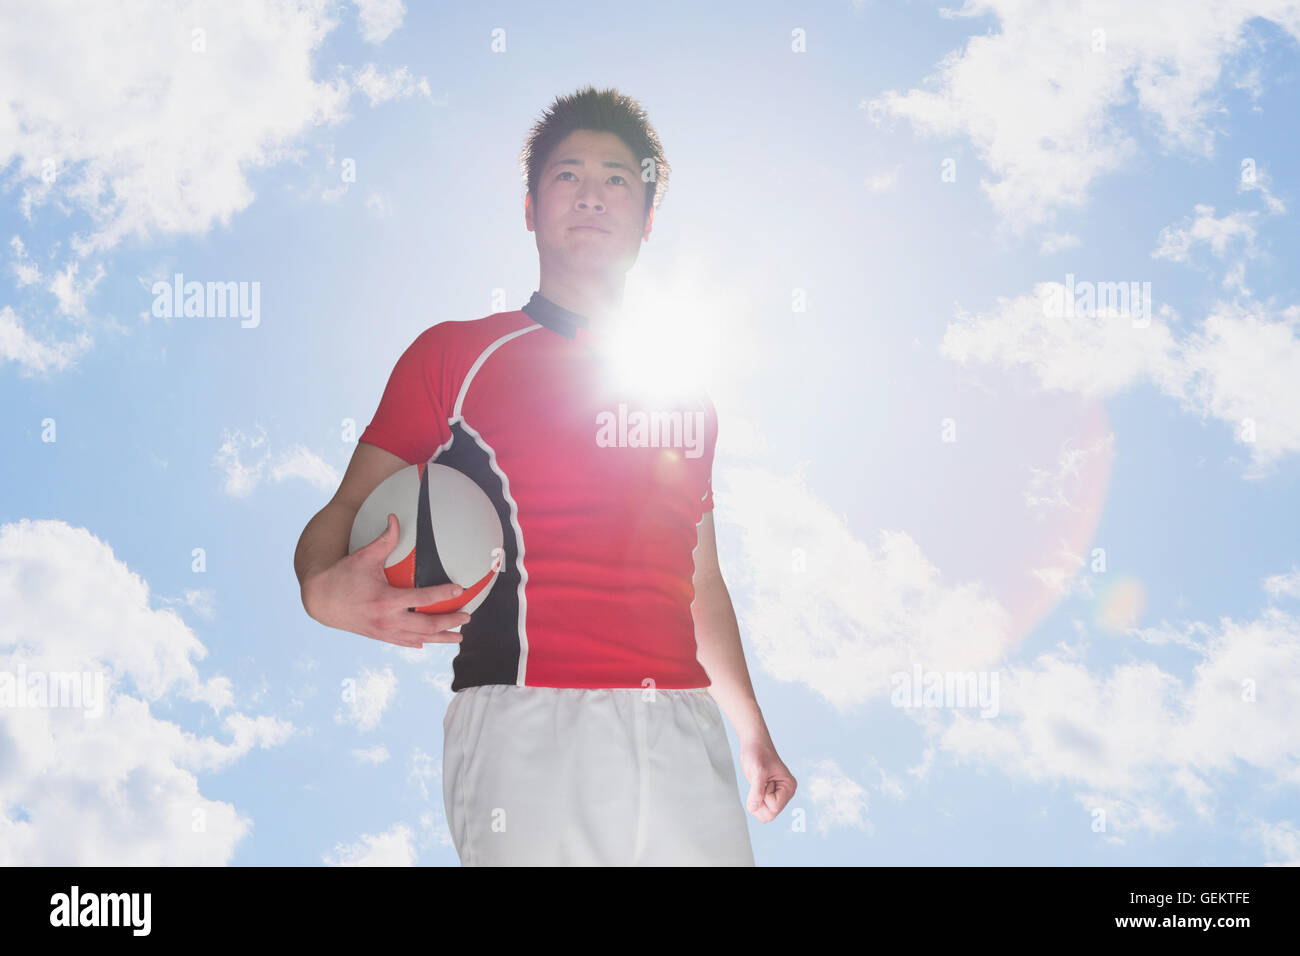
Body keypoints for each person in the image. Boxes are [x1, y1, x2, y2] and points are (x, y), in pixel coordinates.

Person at [294, 85, 795, 865]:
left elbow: (700, 581)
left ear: (648, 219)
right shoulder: (454, 357)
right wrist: (322, 591)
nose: (592, 193)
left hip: (682, 727)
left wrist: (753, 732)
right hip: (524, 721)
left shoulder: (686, 399)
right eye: (567, 175)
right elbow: (347, 507)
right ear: (530, 209)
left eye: (618, 178)